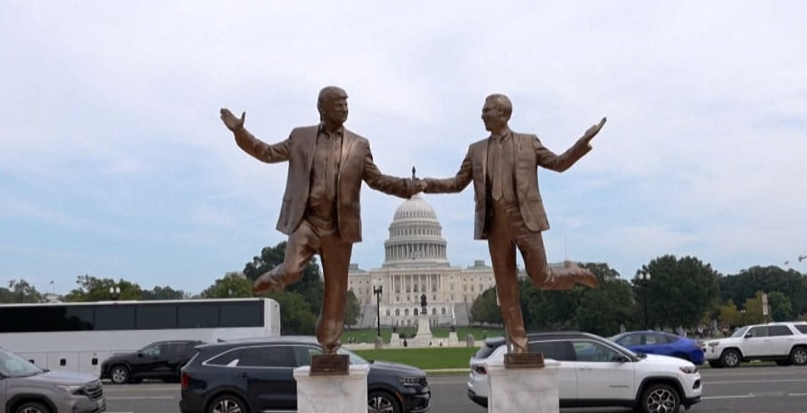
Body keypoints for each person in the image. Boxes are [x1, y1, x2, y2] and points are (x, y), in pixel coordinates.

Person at [220, 86, 420, 354]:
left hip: (339, 227)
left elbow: (376, 179)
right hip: (307, 221)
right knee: (291, 270)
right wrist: (240, 132)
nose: (345, 109)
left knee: (336, 293)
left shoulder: (359, 145)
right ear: (322, 108)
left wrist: (406, 187)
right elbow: (267, 153)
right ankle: (274, 277)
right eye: (339, 104)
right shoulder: (301, 137)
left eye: (347, 104)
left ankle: (329, 344)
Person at [421, 93, 606, 354]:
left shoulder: (528, 143)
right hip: (495, 225)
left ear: (504, 114)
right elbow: (457, 183)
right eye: (483, 111)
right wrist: (426, 184)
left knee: (541, 278)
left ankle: (572, 272)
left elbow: (558, 163)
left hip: (525, 220)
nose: (482, 115)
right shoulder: (476, 150)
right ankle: (520, 346)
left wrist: (581, 143)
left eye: (487, 111)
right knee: (506, 291)